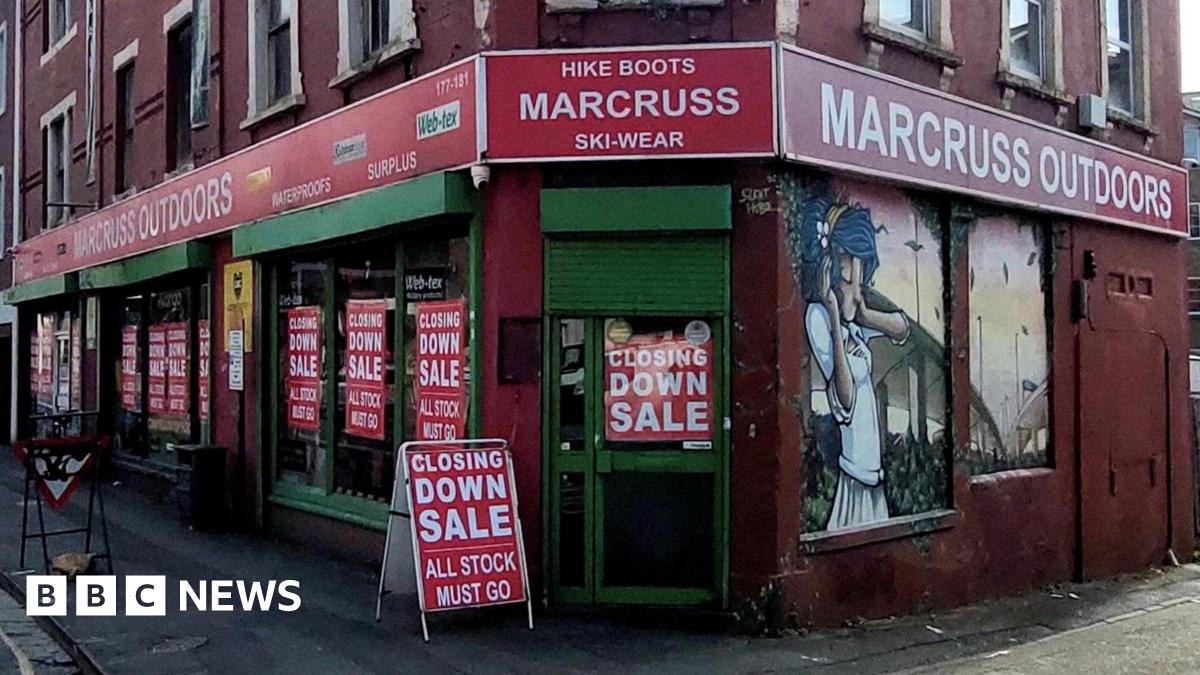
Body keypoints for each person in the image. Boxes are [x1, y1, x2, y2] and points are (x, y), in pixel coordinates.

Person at [801, 198, 910, 530]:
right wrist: (835, 316)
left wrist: (863, 315)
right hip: (854, 479)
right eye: (857, 263)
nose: (860, 278)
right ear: (843, 264)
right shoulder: (819, 317)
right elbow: (844, 401)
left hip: (872, 477)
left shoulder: (855, 320)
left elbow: (902, 328)